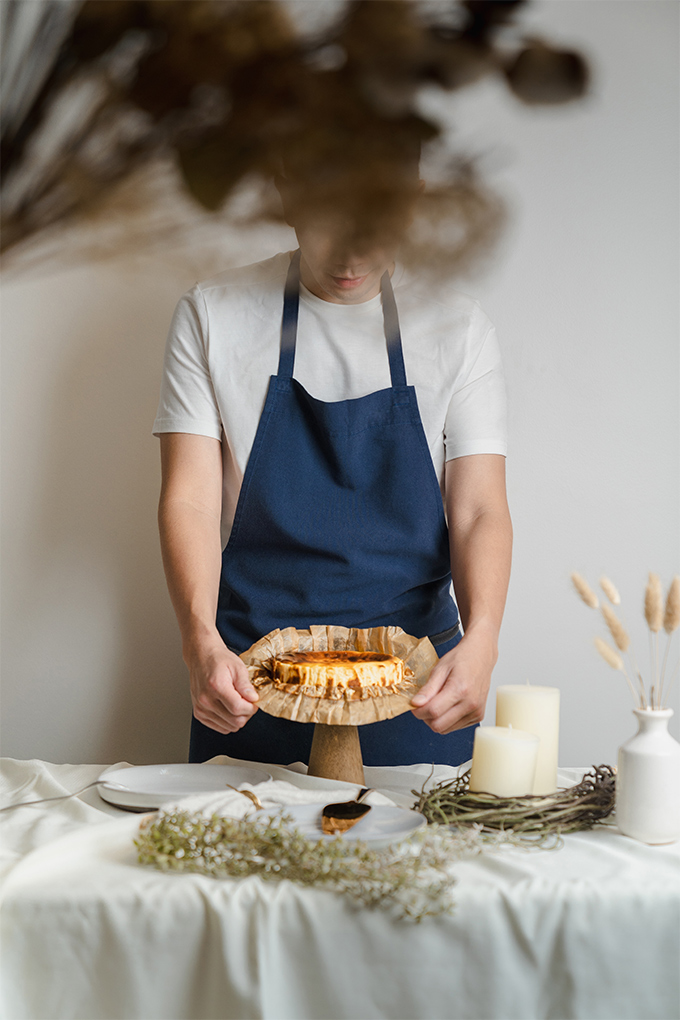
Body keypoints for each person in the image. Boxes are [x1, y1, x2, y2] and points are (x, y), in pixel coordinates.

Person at [154, 153, 512, 767]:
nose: (350, 258)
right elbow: (188, 498)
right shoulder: (212, 314)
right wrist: (199, 643)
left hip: (417, 689)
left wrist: (483, 643)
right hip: (250, 681)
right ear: (286, 195)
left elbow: (480, 508)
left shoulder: (458, 327)